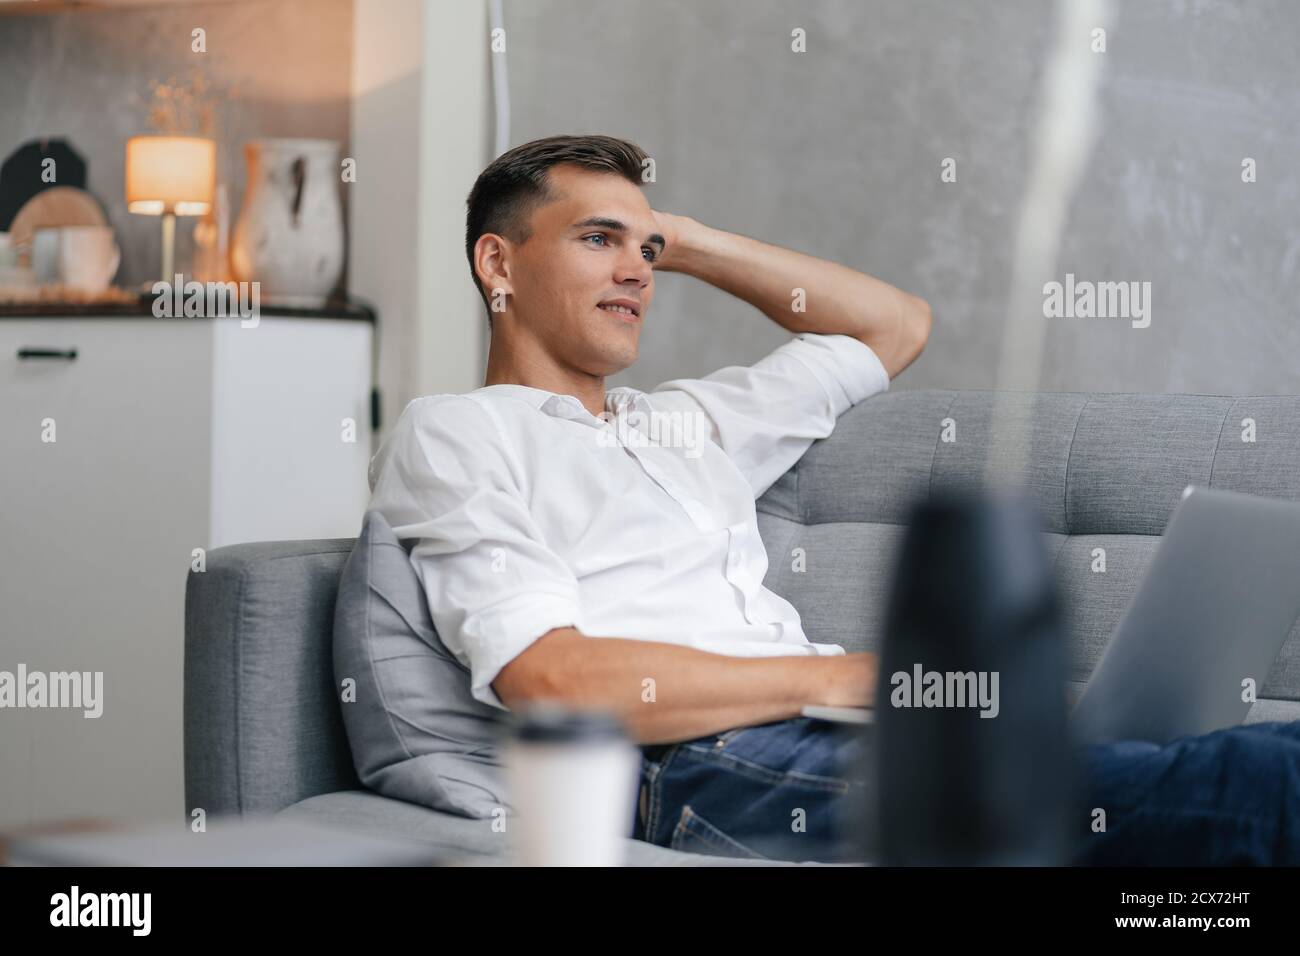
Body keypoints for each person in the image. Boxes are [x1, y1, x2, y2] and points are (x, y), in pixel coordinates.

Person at [366, 133, 1300, 864]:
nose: (636, 271)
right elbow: (550, 680)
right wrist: (828, 677)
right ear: (498, 265)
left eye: (643, 248)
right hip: (701, 764)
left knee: (1217, 777)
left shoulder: (693, 422)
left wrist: (684, 240)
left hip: (820, 734)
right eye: (597, 239)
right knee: (1250, 786)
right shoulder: (459, 433)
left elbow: (895, 324)